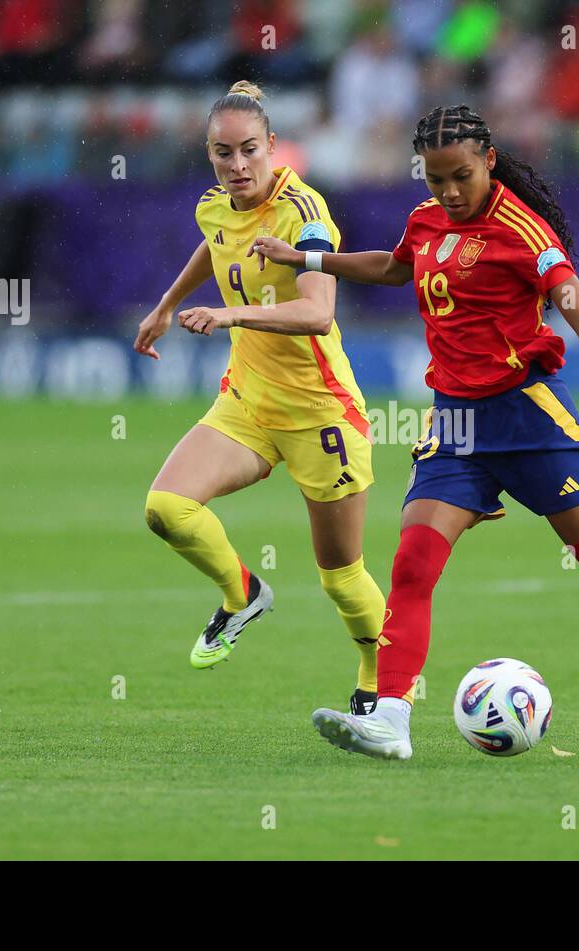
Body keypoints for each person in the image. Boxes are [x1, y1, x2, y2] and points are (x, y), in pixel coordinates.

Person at [252, 104, 579, 761]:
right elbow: (395, 268)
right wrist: (306, 255)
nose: (448, 192)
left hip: (530, 419)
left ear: (489, 163)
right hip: (455, 421)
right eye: (434, 179)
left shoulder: (524, 233)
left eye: (460, 177)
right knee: (413, 564)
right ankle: (392, 719)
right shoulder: (426, 221)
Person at [133, 81, 385, 715]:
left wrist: (226, 316)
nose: (237, 166)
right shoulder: (215, 204)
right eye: (223, 154)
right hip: (247, 401)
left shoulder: (305, 214)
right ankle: (242, 594)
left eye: (249, 151)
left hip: (319, 412)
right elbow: (216, 244)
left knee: (341, 576)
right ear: (210, 155)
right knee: (166, 507)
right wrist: (166, 305)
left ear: (273, 146)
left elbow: (318, 313)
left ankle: (380, 682)